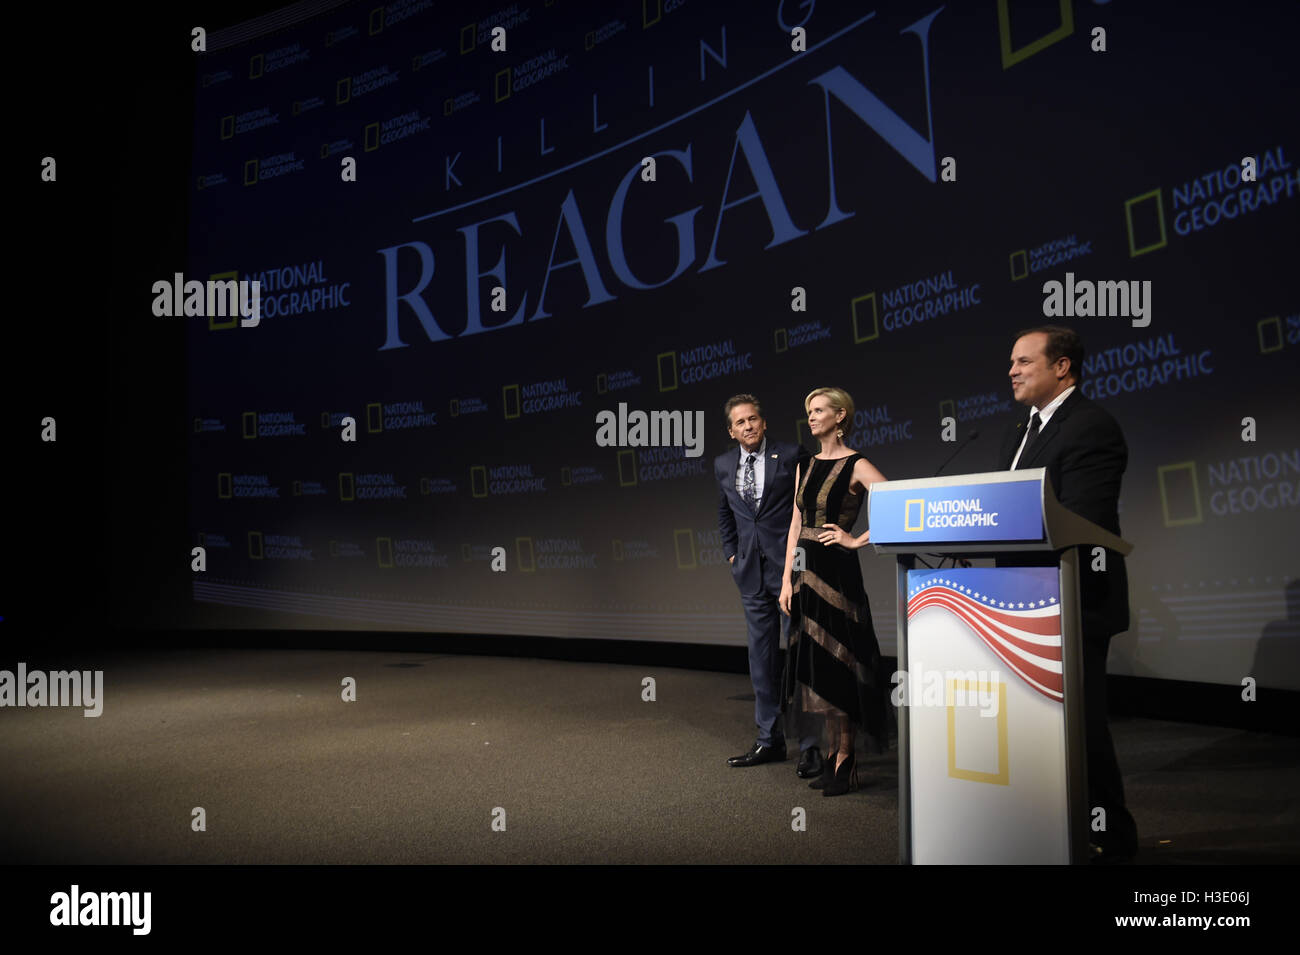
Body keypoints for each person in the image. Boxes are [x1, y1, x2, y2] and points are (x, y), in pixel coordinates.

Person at [999, 325, 1138, 862]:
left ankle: (1113, 836)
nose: (1011, 370)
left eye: (1023, 361)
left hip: (1073, 599)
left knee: (1080, 725)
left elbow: (1084, 519)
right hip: (1019, 598)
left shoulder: (1092, 427)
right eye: (1011, 362)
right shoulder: (1021, 430)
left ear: (1062, 367)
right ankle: (1058, 828)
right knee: (1040, 725)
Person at [779, 387, 892, 796]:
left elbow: (896, 505)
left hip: (837, 573)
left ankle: (847, 758)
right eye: (808, 410)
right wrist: (786, 580)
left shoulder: (857, 464)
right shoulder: (804, 465)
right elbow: (795, 525)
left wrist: (855, 540)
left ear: (840, 416)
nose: (811, 417)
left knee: (841, 663)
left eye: (819, 410)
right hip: (804, 573)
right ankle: (831, 755)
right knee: (818, 670)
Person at [715, 394, 821, 778]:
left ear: (763, 423)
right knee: (761, 663)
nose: (748, 426)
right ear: (731, 431)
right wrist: (732, 555)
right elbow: (725, 515)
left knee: (799, 658)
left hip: (789, 570)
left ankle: (811, 747)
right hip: (751, 576)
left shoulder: (790, 454)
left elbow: (811, 503)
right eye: (740, 422)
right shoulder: (724, 465)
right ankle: (769, 739)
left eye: (753, 419)